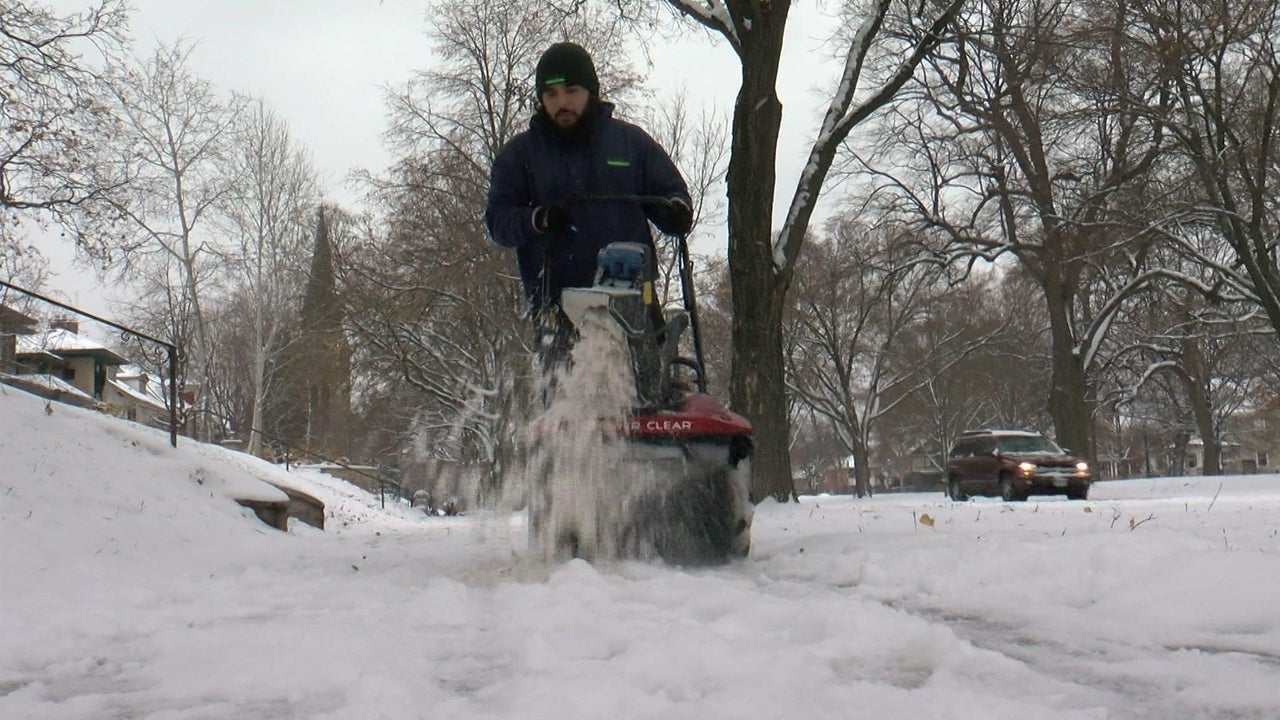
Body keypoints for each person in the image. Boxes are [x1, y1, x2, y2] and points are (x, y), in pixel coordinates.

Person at [484, 42, 694, 373]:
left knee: (652, 389)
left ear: (591, 91)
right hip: (558, 302)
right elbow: (498, 221)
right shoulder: (521, 155)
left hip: (633, 294)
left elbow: (670, 193)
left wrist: (676, 211)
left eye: (571, 91)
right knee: (572, 394)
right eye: (551, 94)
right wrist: (538, 219)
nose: (561, 102)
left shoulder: (630, 143)